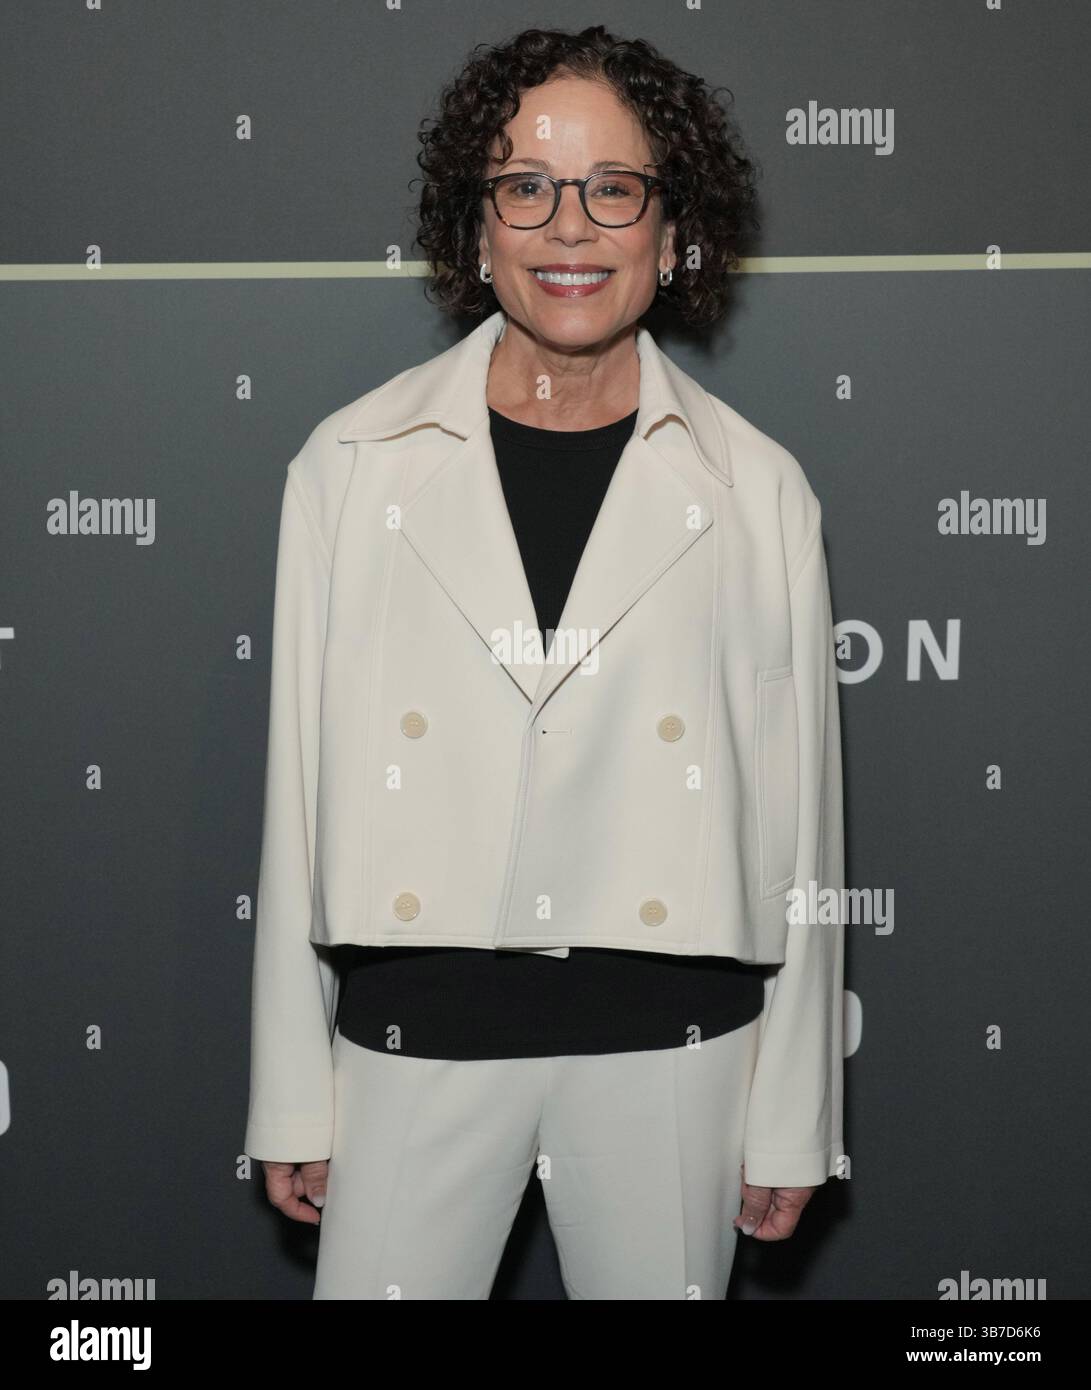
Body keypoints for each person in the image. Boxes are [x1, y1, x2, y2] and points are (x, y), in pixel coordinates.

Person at [244, 24, 846, 1300]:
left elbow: (803, 836)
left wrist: (789, 1109)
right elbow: (297, 798)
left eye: (611, 189)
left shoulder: (758, 490)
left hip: (672, 1055)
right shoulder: (347, 468)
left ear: (668, 228)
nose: (568, 228)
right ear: (476, 227)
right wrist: (293, 1091)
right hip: (415, 1040)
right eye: (525, 187)